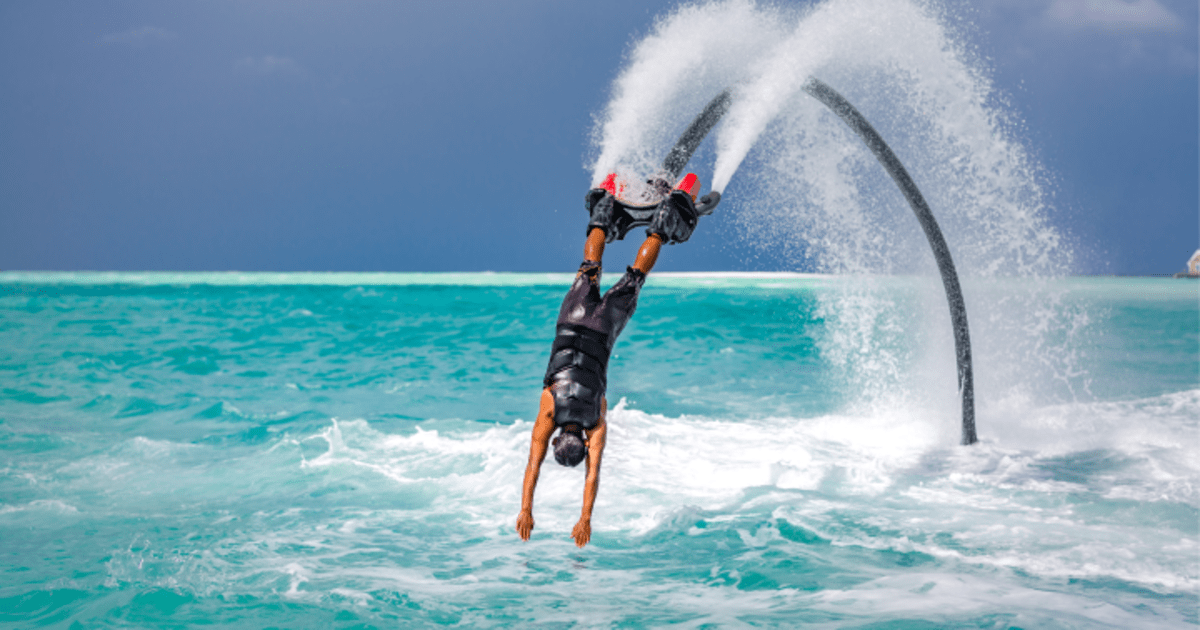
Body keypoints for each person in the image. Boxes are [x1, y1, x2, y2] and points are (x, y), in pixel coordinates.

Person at [515, 174, 713, 548]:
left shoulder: (595, 421)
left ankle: (671, 209)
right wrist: (525, 508)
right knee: (590, 264)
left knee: (636, 276)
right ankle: (605, 203)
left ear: (584, 442)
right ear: (558, 437)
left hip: (603, 331)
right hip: (571, 323)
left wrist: (584, 518)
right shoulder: (548, 410)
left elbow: (593, 476)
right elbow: (532, 466)